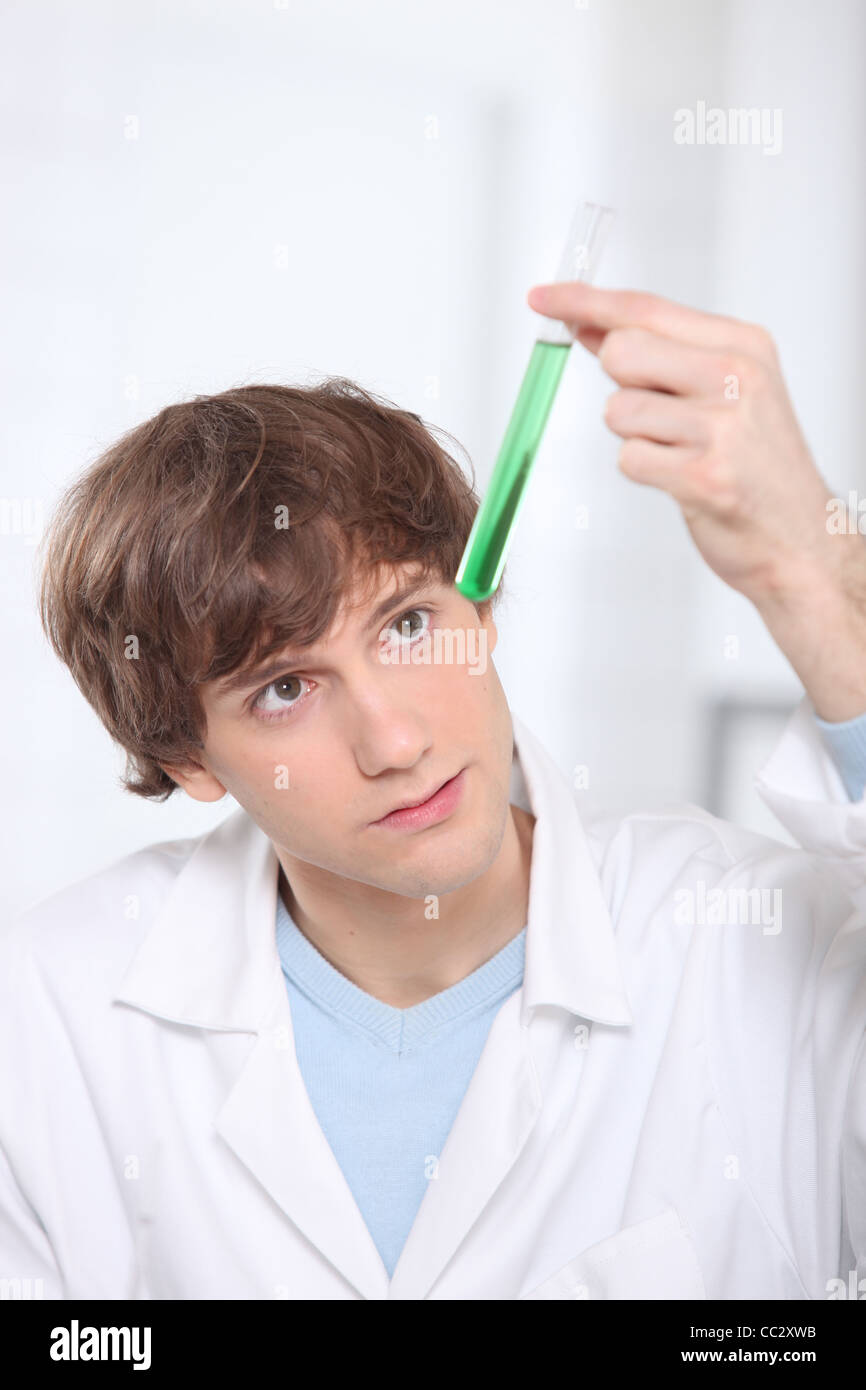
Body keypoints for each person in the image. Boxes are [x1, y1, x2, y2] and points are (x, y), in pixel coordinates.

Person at [1, 283, 864, 1301]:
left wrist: (811, 574)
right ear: (187, 755)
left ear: (480, 606)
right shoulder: (48, 1017)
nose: (395, 739)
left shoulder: (748, 944)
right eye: (284, 688)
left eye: (408, 624)